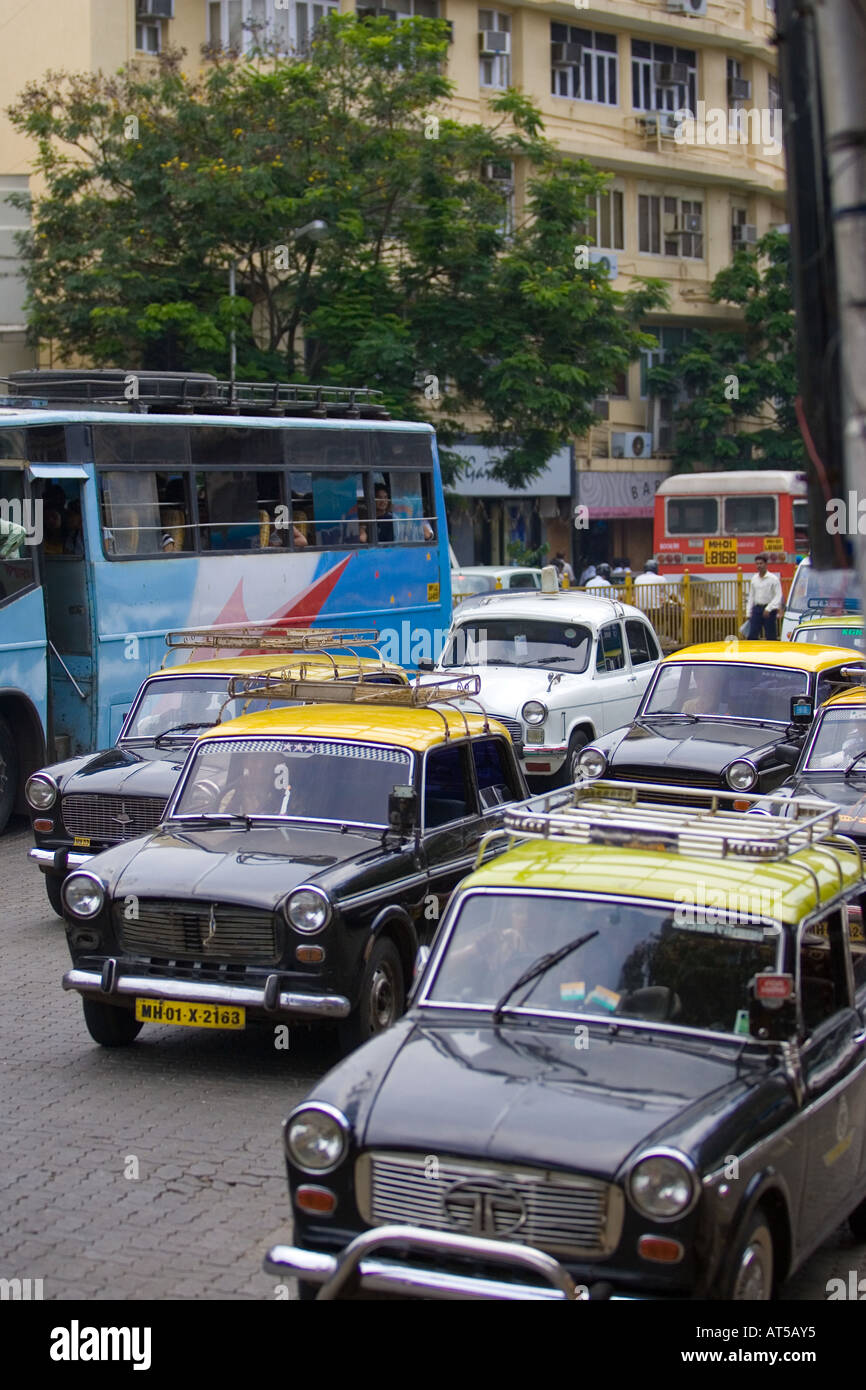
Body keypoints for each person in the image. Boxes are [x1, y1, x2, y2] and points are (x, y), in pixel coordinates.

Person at [746, 553, 783, 640]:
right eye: (757, 564)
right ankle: (752, 653)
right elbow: (751, 596)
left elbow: (778, 595)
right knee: (752, 636)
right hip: (757, 609)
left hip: (769, 611)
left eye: (761, 563)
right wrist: (748, 612)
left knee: (770, 636)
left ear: (766, 564)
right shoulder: (754, 578)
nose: (759, 566)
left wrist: (768, 608)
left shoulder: (773, 579)